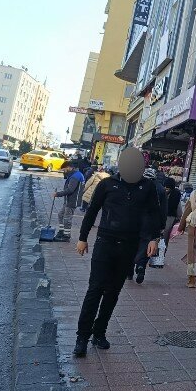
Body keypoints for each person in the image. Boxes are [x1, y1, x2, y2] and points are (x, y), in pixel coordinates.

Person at [73, 147, 161, 357]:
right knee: (95, 289)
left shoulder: (147, 187)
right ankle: (82, 337)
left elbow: (154, 215)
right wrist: (82, 238)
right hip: (105, 242)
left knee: (113, 292)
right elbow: (92, 210)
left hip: (128, 245)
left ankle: (99, 332)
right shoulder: (107, 184)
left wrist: (154, 238)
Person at [129, 167, 168, 284]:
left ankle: (129, 271)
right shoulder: (161, 189)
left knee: (132, 245)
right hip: (152, 224)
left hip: (135, 222)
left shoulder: (137, 185)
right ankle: (141, 267)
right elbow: (163, 210)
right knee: (147, 246)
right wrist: (162, 225)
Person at [53, 161, 85, 241]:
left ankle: (66, 236)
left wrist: (58, 194)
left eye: (64, 170)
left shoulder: (75, 176)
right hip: (69, 200)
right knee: (61, 215)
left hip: (72, 201)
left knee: (67, 218)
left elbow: (70, 190)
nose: (64, 172)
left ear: (68, 167)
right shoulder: (74, 174)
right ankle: (61, 231)